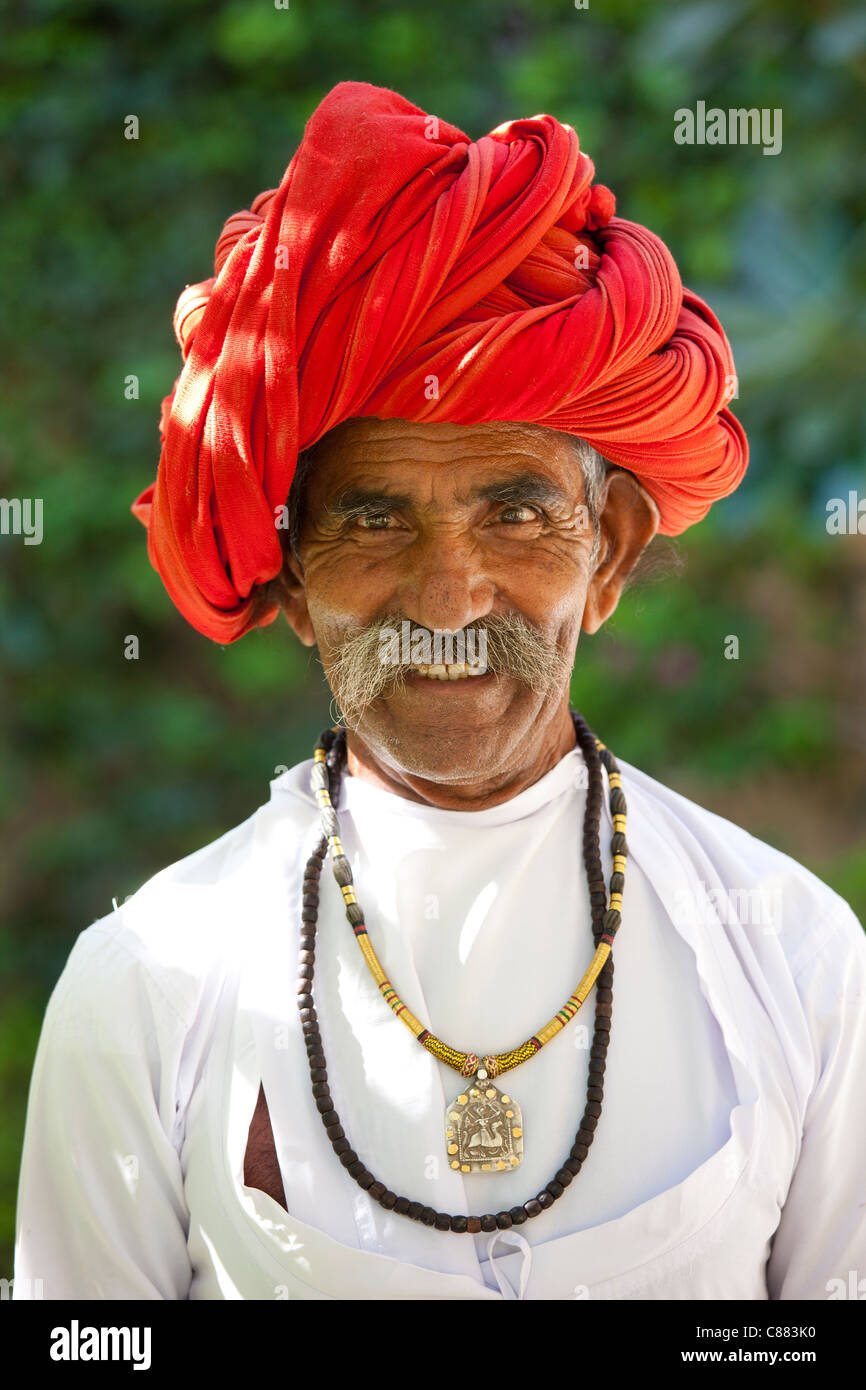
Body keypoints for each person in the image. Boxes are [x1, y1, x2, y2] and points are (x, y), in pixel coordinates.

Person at [13, 82, 866, 1301]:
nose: (450, 598)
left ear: (609, 553)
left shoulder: (790, 959)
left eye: (515, 512)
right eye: (372, 517)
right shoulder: (149, 978)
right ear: (296, 577)